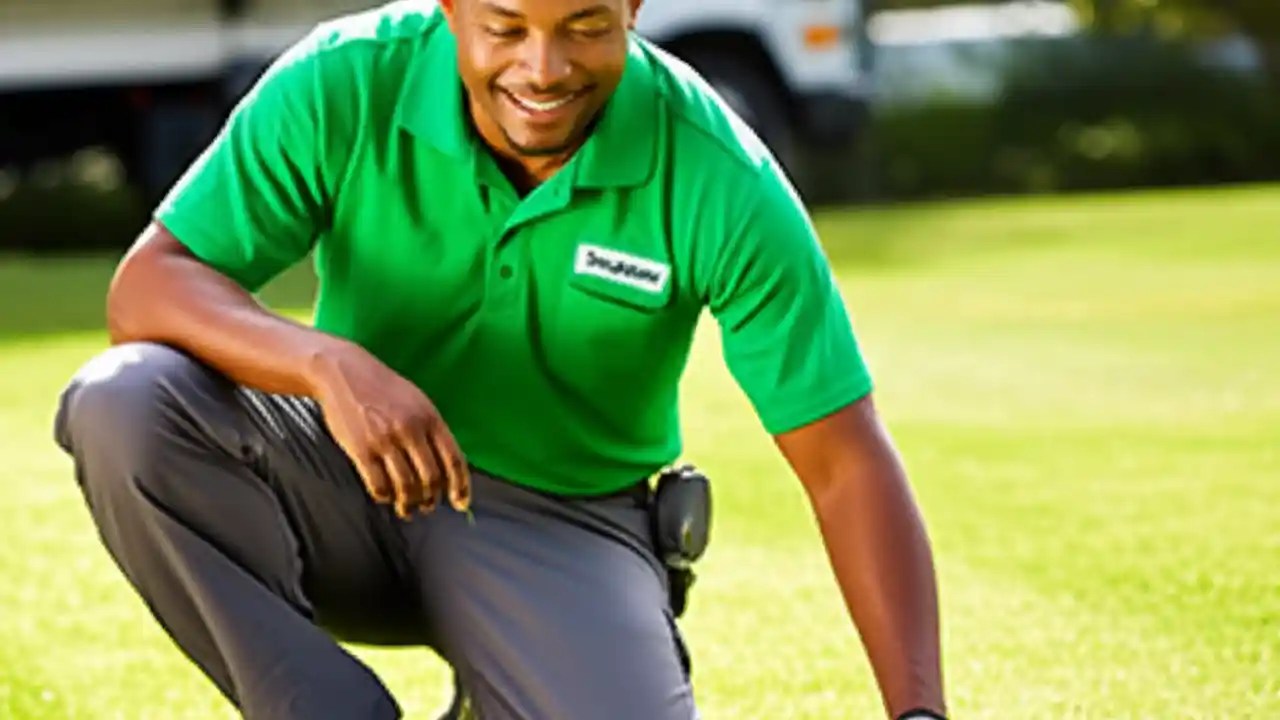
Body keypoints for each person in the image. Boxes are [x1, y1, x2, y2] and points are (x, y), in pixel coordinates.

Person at [52, 0, 948, 718]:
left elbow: (843, 462)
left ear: (634, 10)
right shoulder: (344, 78)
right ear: (450, 9)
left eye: (585, 27)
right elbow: (149, 288)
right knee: (123, 402)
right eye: (507, 26)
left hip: (563, 518)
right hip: (346, 479)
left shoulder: (717, 172)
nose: (544, 69)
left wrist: (918, 714)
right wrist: (326, 363)